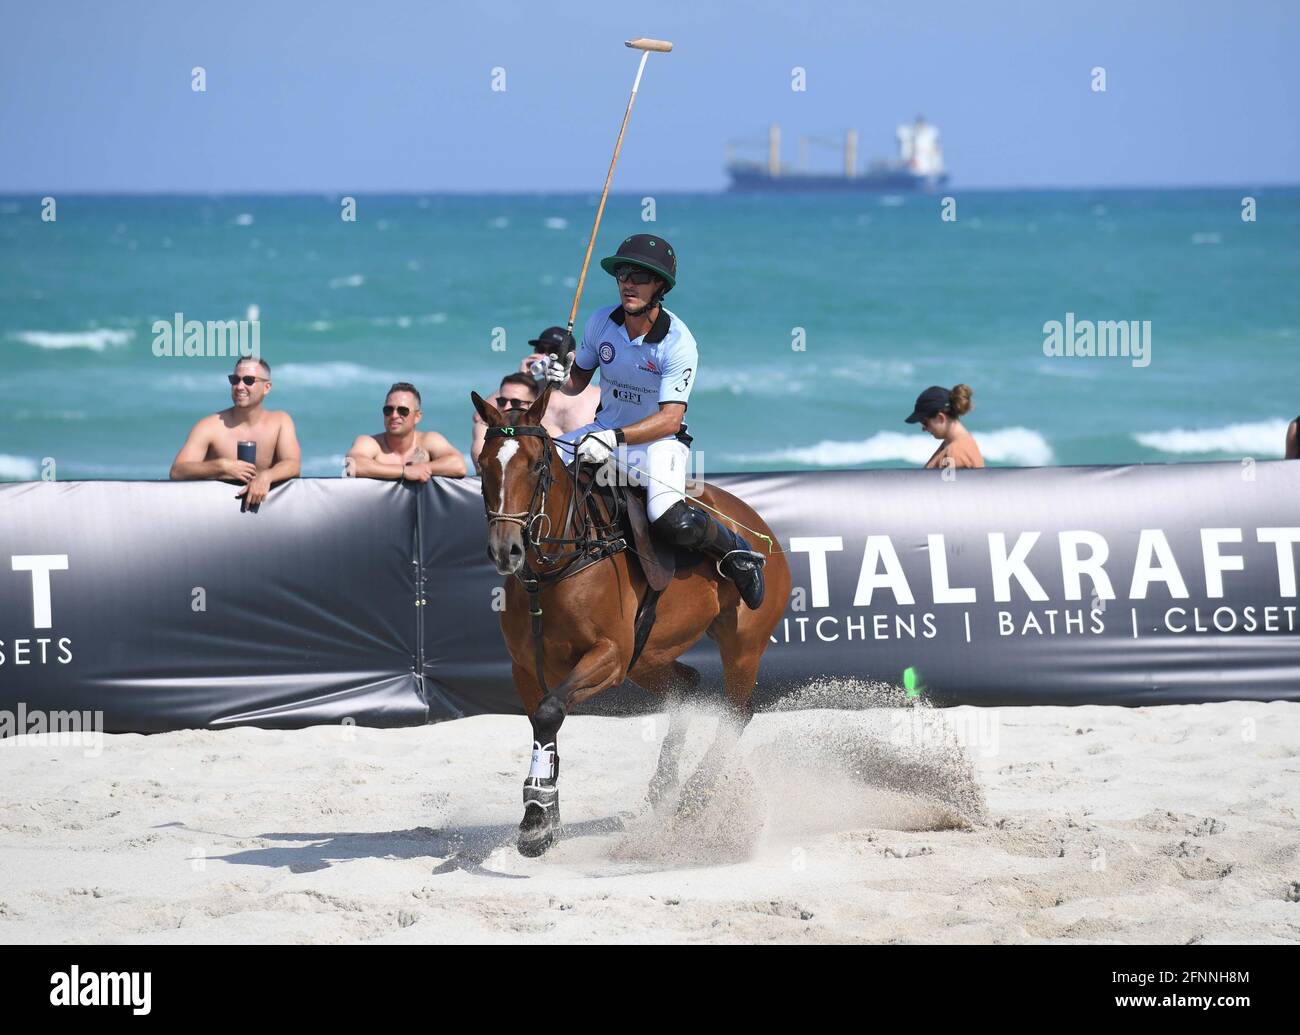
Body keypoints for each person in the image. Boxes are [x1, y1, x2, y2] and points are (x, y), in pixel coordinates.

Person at [544, 233, 765, 609]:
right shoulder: (601, 322)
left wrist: (614, 437)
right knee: (538, 466)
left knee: (670, 519)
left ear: (659, 286)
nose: (628, 282)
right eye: (623, 274)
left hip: (658, 445)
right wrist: (557, 375)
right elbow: (576, 383)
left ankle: (736, 552)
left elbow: (670, 419)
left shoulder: (677, 342)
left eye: (640, 276)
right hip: (604, 430)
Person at [169, 356, 301, 506]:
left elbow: (293, 465)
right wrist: (220, 466)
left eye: (249, 380)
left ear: (267, 387)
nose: (239, 386)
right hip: (220, 512)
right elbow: (177, 471)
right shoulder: (209, 426)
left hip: (267, 516)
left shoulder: (280, 421)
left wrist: (266, 477)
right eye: (235, 380)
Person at [347, 382, 466, 481]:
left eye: (402, 411)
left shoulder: (428, 440)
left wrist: (424, 467)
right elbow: (352, 465)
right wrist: (404, 471)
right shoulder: (371, 443)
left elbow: (458, 465)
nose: (394, 415)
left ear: (417, 416)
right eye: (388, 410)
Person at [519, 325, 600, 433]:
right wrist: (522, 381)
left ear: (572, 355)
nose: (545, 356)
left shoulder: (597, 396)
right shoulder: (526, 392)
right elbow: (492, 420)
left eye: (554, 350)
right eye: (540, 350)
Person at [470, 373, 538, 475]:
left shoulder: (545, 428)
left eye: (516, 403)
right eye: (502, 401)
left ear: (533, 405)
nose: (506, 408)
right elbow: (483, 468)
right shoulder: (484, 428)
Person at [905, 384, 984, 469]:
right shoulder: (953, 444)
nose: (924, 429)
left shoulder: (955, 454)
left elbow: (950, 481)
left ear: (940, 418)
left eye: (925, 422)